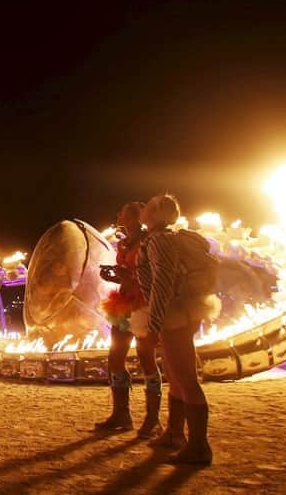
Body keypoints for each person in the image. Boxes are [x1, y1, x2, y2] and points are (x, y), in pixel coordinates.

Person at [138, 194, 220, 466]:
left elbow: (163, 281)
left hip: (173, 312)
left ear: (158, 214)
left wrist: (155, 322)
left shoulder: (160, 240)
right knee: (174, 375)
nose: (143, 209)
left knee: (184, 377)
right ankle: (174, 434)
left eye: (149, 207)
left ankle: (199, 447)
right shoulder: (162, 238)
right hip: (180, 310)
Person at [94, 202, 162, 437]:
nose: (117, 214)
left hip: (143, 304)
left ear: (134, 217)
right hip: (123, 302)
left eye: (122, 212)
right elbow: (129, 278)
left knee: (146, 357)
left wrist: (128, 275)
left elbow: (151, 276)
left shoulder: (148, 241)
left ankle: (153, 419)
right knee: (115, 357)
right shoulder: (123, 244)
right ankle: (121, 414)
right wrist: (114, 276)